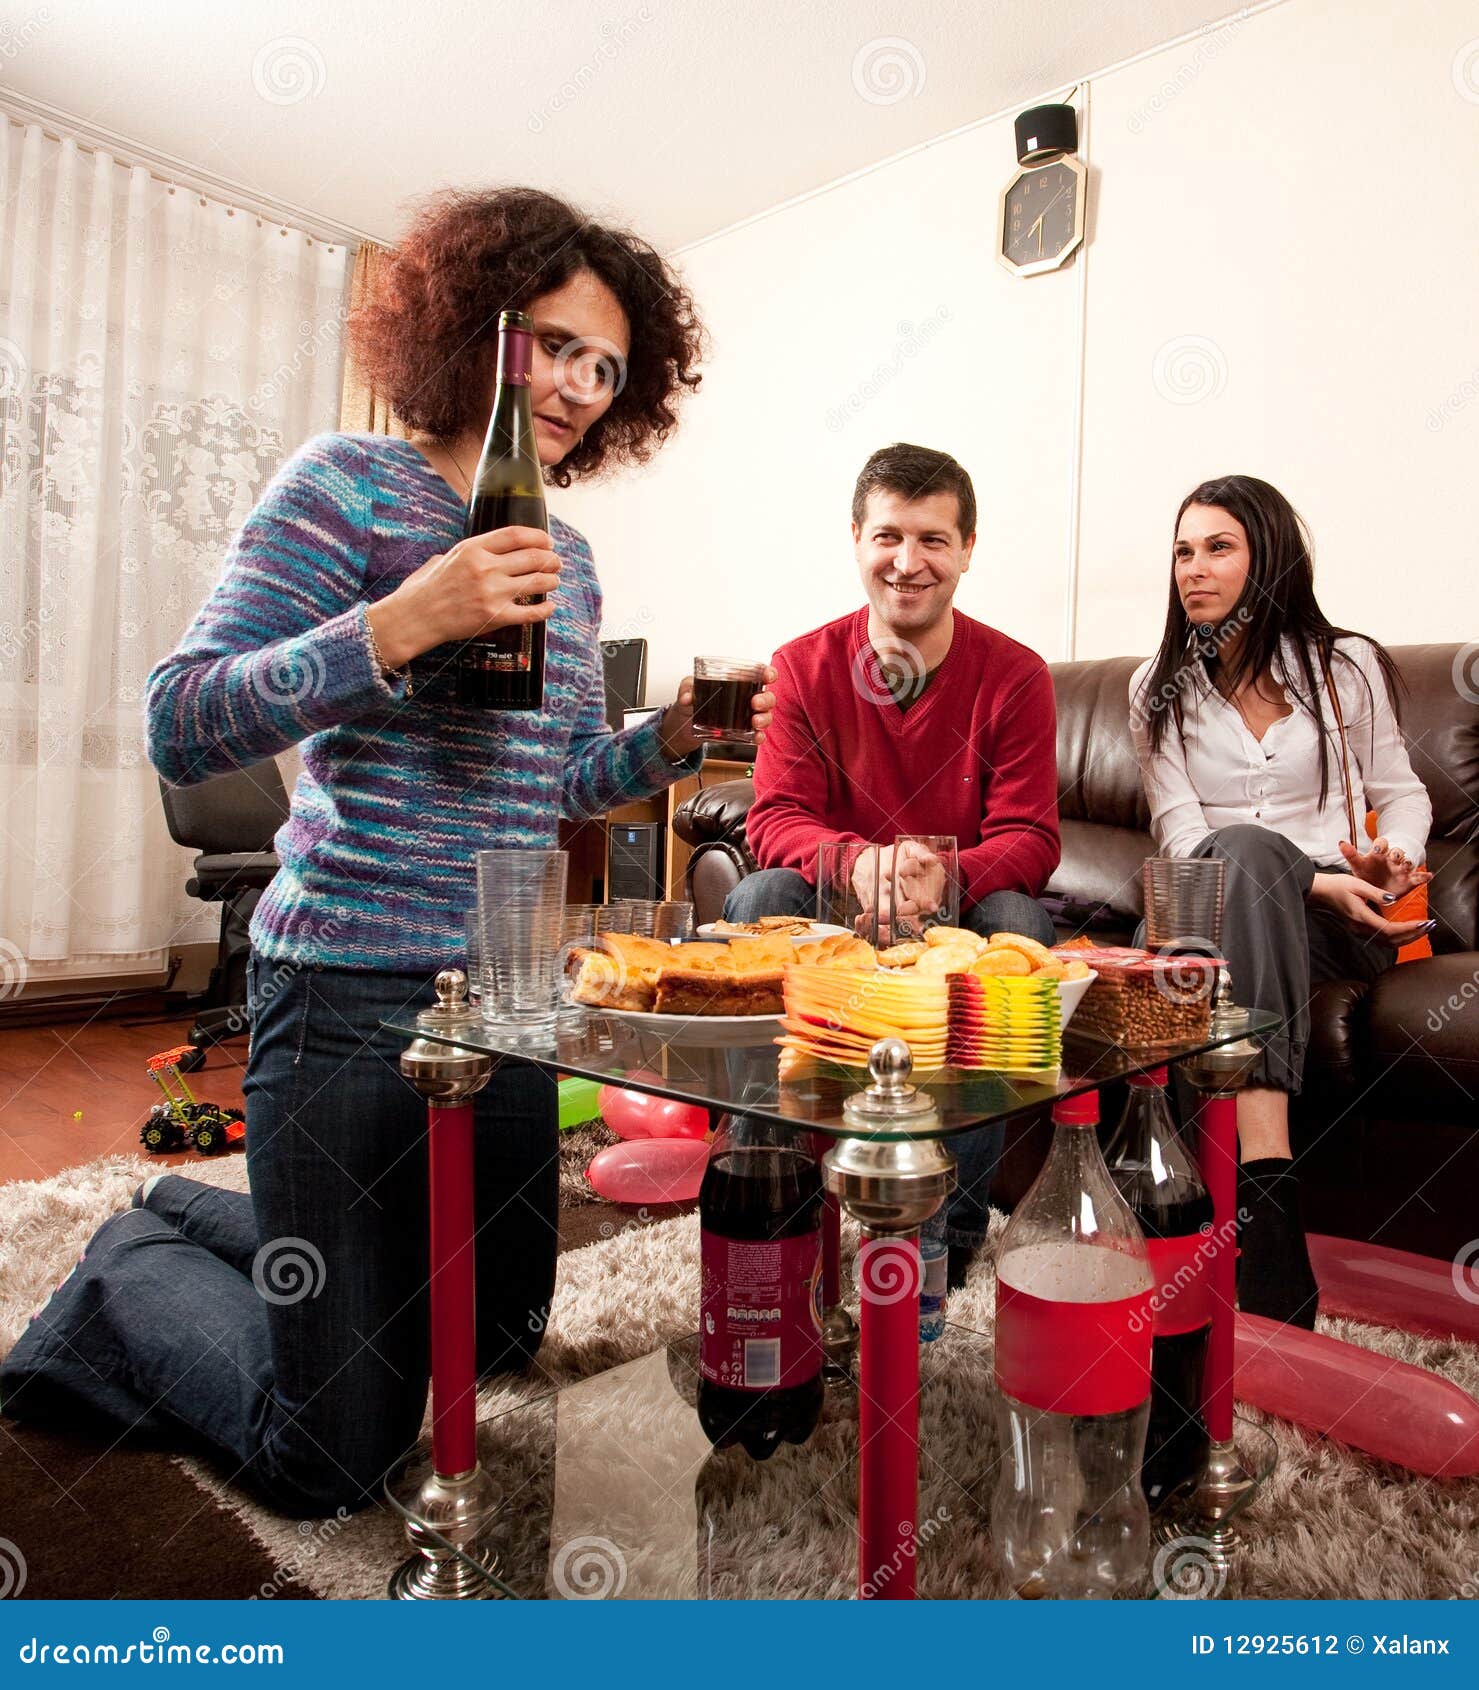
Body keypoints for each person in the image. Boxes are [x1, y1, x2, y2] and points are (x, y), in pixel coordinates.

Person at [0, 187, 776, 1515]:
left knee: (495, 1336)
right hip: (353, 997)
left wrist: (669, 739)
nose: (581, 386)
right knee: (336, 1449)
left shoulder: (567, 559)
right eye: (553, 346)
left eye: (607, 366)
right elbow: (181, 720)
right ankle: (128, 1256)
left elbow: (551, 783)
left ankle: (218, 1214)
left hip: (506, 1007)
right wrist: (394, 625)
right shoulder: (344, 486)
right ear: (479, 333)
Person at [728, 442, 1061, 1283]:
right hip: (832, 903)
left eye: (933, 540)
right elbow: (772, 818)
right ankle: (773, 1206)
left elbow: (1031, 836)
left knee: (1019, 923)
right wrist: (857, 865)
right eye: (887, 537)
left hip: (954, 910)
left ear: (967, 550)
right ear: (854, 539)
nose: (907, 563)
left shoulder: (1015, 675)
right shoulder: (801, 667)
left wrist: (937, 875)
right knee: (756, 893)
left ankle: (945, 1233)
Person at [1129, 474, 1433, 1328]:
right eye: (1182, 551)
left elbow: (1403, 793)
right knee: (1245, 860)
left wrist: (1390, 857)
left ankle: (1199, 1217)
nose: (1193, 569)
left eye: (1218, 548)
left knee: (1214, 940)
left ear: (1268, 561)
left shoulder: (1346, 668)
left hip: (1342, 926)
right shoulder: (1156, 689)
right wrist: (1306, 874)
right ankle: (1266, 1192)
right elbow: (1184, 840)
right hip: (1213, 905)